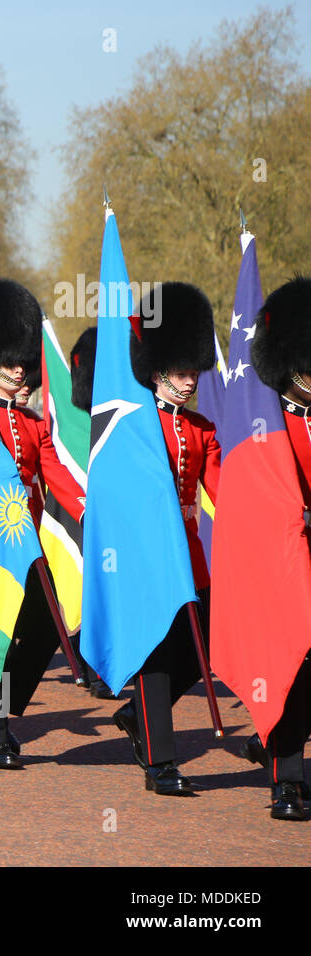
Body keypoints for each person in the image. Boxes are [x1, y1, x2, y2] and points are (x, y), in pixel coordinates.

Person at [0, 279, 87, 769]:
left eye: (23, 361)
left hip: (27, 541)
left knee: (43, 624)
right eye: (12, 362)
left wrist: (89, 509)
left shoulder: (32, 424)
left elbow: (59, 474)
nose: (21, 370)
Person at [109, 283, 220, 796]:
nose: (190, 380)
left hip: (189, 552)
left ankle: (137, 716)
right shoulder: (133, 424)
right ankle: (160, 764)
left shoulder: (200, 428)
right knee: (154, 653)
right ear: (157, 372)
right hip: (145, 552)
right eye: (181, 371)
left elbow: (224, 488)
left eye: (193, 370)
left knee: (206, 642)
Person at [248, 276, 311, 820]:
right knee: (293, 664)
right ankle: (285, 782)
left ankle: (272, 740)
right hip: (287, 562)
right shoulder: (267, 426)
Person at [66, 327, 115, 699]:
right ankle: (92, 664)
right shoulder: (73, 417)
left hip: (112, 503)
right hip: (77, 501)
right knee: (84, 581)